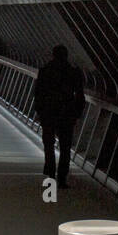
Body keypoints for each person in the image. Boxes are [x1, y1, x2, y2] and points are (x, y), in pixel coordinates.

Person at [32, 44, 85, 188]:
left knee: (48, 143)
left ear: (53, 55)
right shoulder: (74, 73)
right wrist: (77, 113)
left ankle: (50, 171)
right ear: (66, 56)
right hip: (67, 113)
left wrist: (39, 111)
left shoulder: (45, 71)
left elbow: (38, 93)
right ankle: (62, 177)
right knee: (65, 146)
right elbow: (80, 94)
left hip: (48, 112)